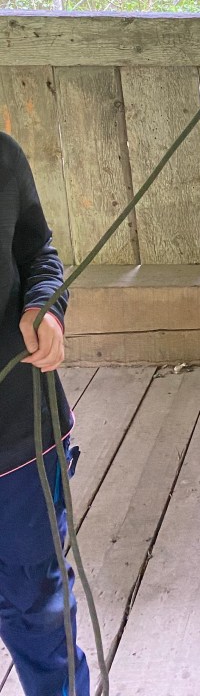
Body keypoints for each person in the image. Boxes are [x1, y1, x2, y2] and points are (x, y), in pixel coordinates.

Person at [0, 133, 89, 696]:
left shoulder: (3, 157)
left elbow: (38, 254)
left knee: (38, 602)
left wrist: (46, 308)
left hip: (18, 441)